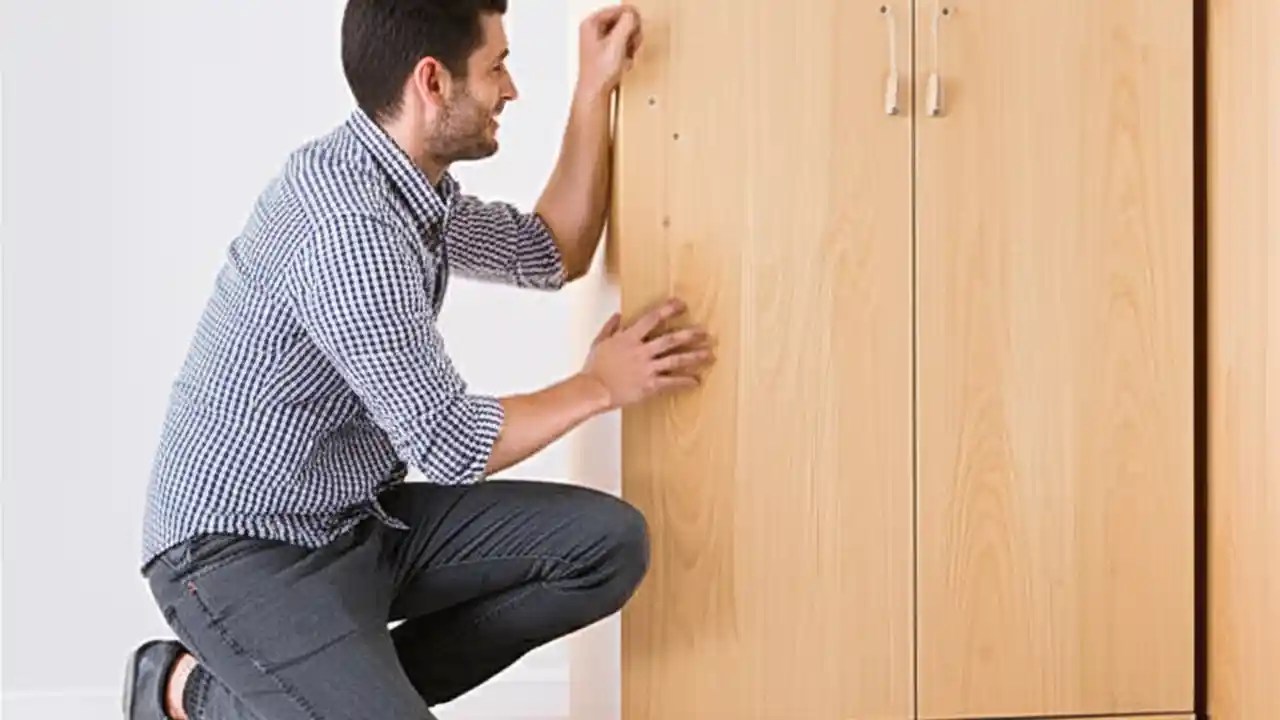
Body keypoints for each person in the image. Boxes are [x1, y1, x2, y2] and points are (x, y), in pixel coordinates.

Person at [123, 1, 714, 718]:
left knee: (604, 547)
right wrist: (598, 385)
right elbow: (452, 443)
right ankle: (187, 692)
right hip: (240, 554)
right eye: (496, 67)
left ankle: (267, 697)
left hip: (353, 516)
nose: (510, 89)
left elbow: (551, 250)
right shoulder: (352, 231)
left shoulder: (402, 185)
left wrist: (594, 89)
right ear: (433, 81)